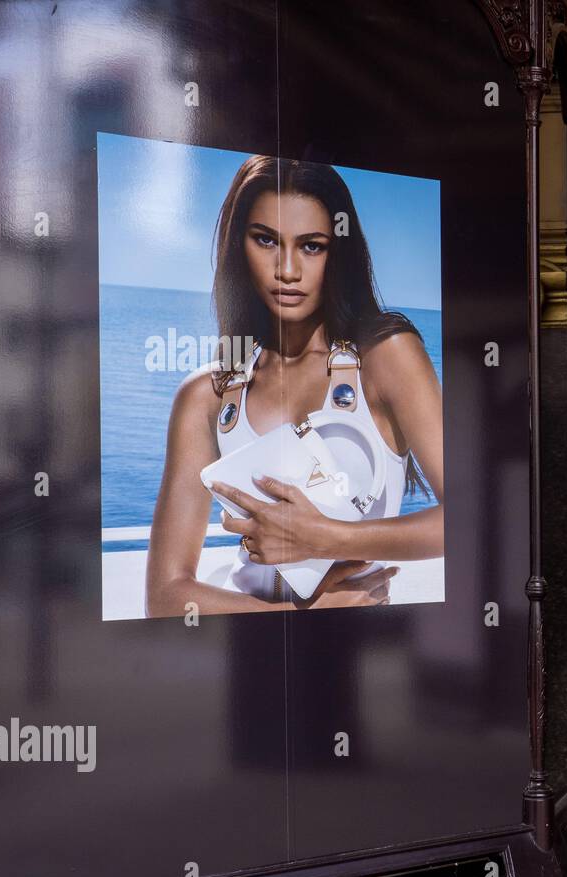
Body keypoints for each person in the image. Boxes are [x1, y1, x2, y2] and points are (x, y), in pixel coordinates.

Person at [146, 156, 445, 616]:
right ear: (236, 247)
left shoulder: (387, 357)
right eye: (266, 240)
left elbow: (468, 520)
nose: (287, 269)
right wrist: (300, 615)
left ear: (338, 252)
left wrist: (324, 536)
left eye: (312, 246)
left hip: (355, 646)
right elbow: (165, 597)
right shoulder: (205, 396)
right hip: (242, 647)